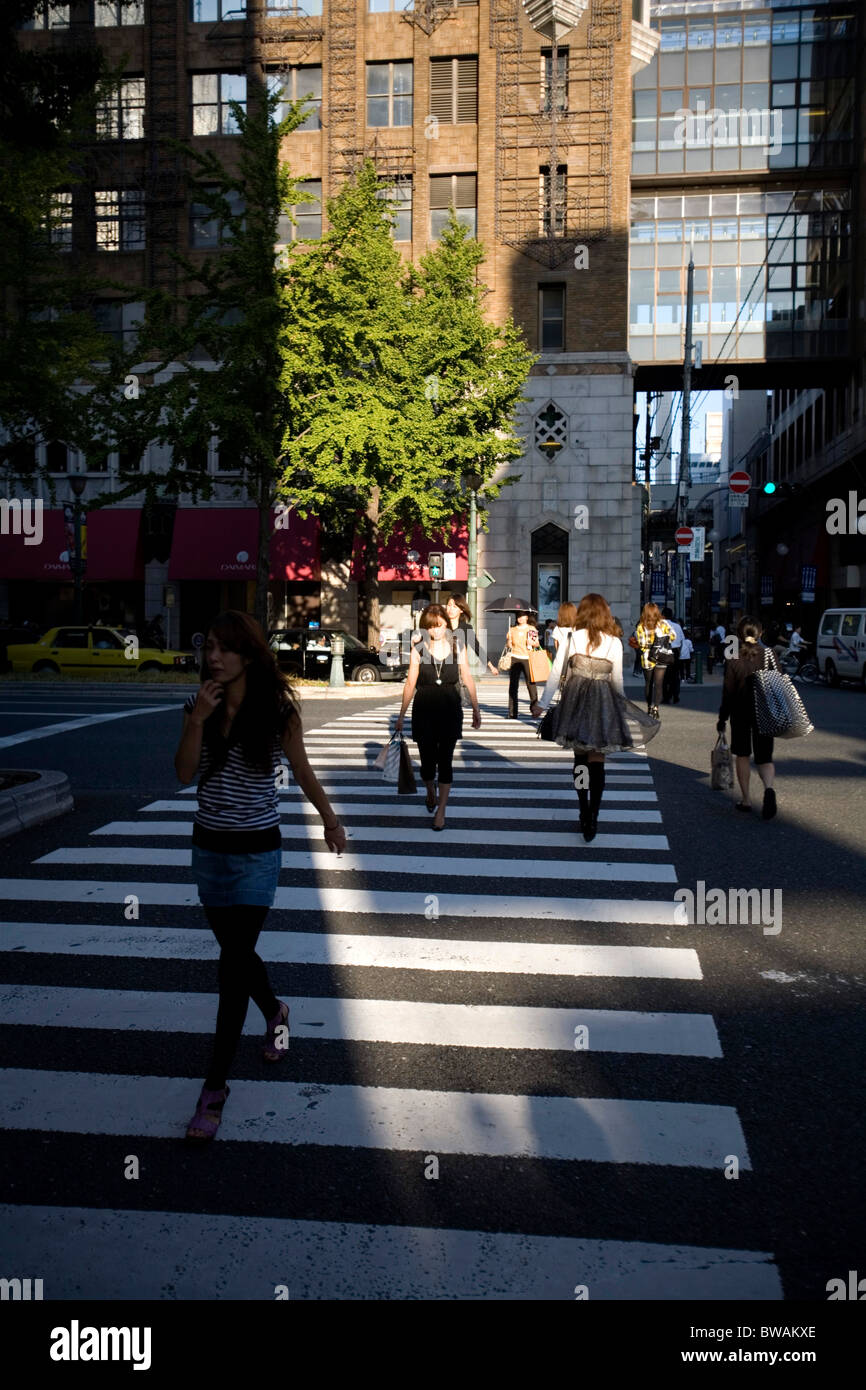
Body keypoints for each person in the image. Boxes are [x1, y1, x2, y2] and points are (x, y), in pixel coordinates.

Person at [175, 611, 346, 1143]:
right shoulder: (200, 704)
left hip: (256, 854)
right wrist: (197, 721)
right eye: (210, 649)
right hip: (210, 851)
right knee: (239, 957)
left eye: (225, 649)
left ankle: (214, 1088)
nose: (214, 657)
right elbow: (183, 775)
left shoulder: (276, 711)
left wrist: (330, 818)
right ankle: (275, 1009)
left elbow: (301, 768)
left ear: (248, 655)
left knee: (231, 969)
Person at [530, 593, 660, 841]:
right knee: (597, 761)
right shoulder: (614, 642)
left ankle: (582, 809)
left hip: (575, 703)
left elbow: (557, 671)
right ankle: (594, 814)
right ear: (604, 614)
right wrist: (620, 709)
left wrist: (543, 703)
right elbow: (618, 681)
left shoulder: (572, 637)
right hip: (602, 703)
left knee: (579, 760)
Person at [395, 603, 481, 830]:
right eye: (431, 627)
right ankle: (430, 791)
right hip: (424, 710)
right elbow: (410, 683)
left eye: (440, 625)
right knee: (426, 764)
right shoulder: (418, 650)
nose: (436, 631)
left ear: (446, 624)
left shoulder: (456, 647)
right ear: (425, 627)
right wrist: (401, 715)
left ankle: (441, 810)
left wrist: (475, 707)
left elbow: (468, 678)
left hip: (450, 709)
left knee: (445, 761)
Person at [716, 615, 779, 819]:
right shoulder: (769, 654)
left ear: (739, 634)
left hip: (740, 711)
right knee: (765, 757)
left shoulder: (733, 656)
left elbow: (728, 692)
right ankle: (768, 789)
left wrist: (722, 718)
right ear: (760, 633)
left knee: (742, 754)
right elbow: (778, 683)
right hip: (765, 711)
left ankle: (746, 800)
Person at [634, 603, 677, 720]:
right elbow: (673, 636)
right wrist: (663, 639)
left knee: (648, 683)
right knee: (659, 683)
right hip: (662, 655)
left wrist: (650, 645)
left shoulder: (641, 626)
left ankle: (648, 707)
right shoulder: (663, 624)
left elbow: (642, 645)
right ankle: (656, 708)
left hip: (648, 658)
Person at [445, 594, 498, 675]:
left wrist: (491, 667)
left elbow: (477, 648)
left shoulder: (466, 628)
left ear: (461, 610)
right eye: (449, 605)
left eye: (455, 607)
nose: (451, 609)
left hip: (459, 669)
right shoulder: (441, 626)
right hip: (441, 667)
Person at [504, 608, 540, 718]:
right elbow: (508, 645)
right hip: (515, 658)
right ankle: (512, 712)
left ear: (527, 617)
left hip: (527, 658)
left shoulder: (531, 628)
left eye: (523, 615)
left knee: (531, 684)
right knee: (513, 686)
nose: (520, 618)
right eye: (519, 616)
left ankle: (534, 709)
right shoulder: (512, 630)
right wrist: (508, 642)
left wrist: (532, 643)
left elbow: (537, 644)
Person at [660, 607, 684, 705]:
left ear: (663, 615)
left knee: (664, 676)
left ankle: (666, 697)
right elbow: (682, 640)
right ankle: (675, 695)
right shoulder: (677, 626)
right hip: (675, 652)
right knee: (675, 676)